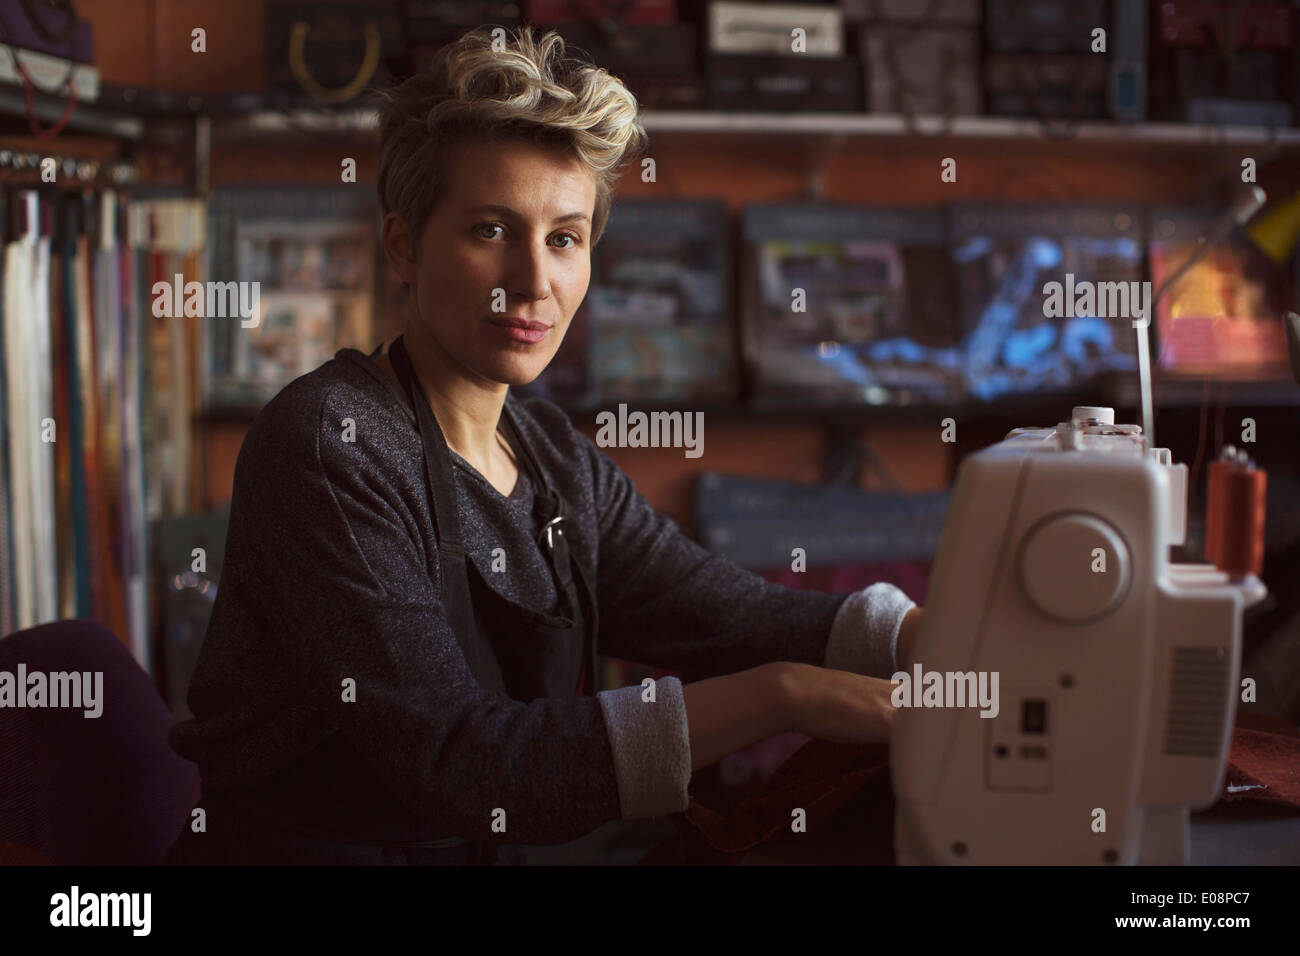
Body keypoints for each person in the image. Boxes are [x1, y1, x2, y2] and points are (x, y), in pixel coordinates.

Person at [163, 25, 923, 866]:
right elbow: (467, 761)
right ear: (403, 246)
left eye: (564, 238)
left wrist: (934, 640)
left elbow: (726, 616)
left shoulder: (552, 456)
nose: (533, 281)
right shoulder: (330, 444)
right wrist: (783, 697)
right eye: (491, 230)